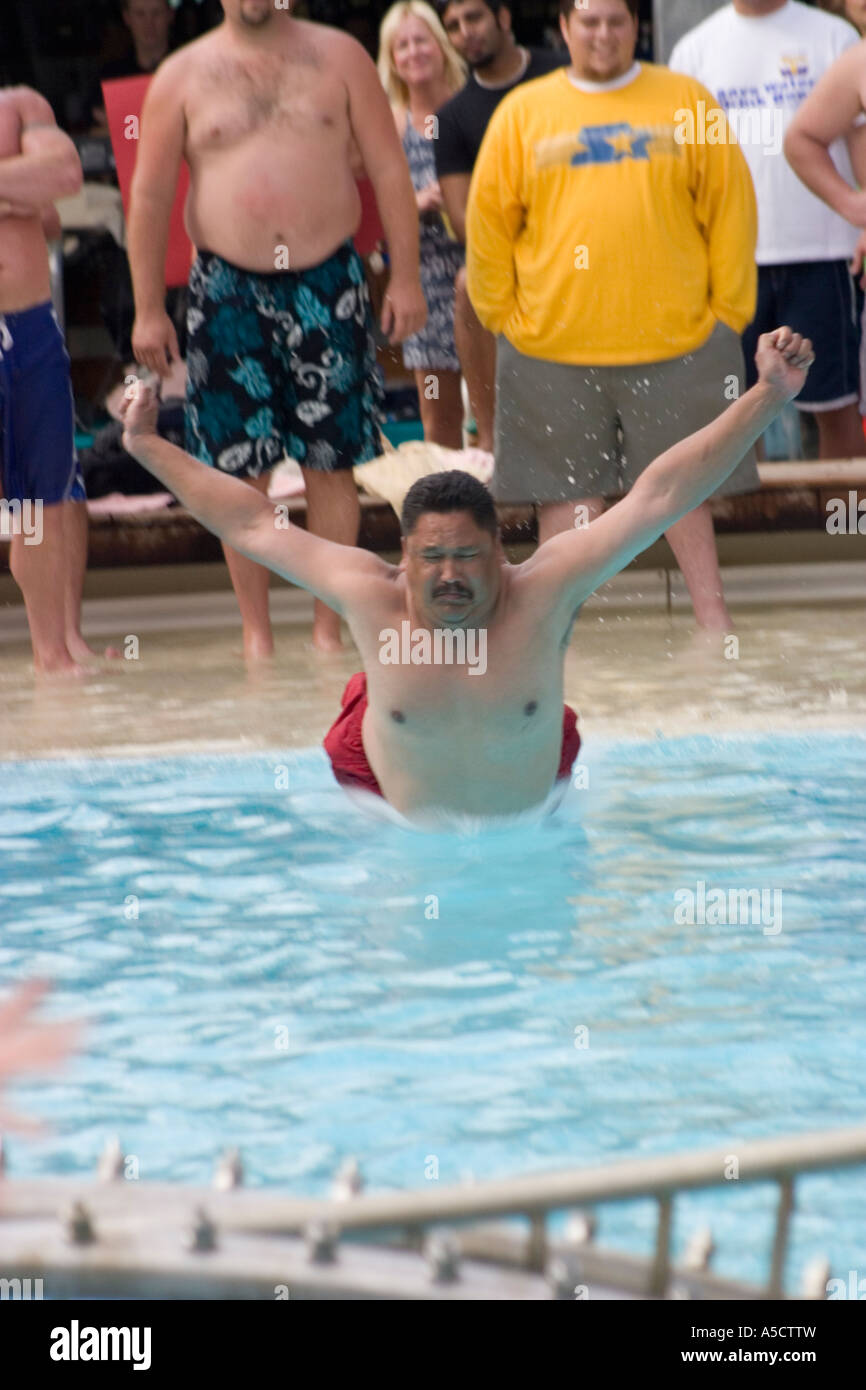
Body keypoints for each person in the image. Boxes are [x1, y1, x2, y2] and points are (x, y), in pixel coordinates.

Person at [121, 325, 814, 820]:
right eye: (431, 559)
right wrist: (147, 445)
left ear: (501, 556)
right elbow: (248, 522)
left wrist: (768, 397)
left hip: (530, 805)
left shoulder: (546, 586)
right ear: (404, 559)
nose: (449, 576)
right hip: (388, 808)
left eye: (465, 557)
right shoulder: (371, 594)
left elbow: (661, 493)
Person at [128, 0, 427, 658]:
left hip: (330, 282)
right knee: (240, 472)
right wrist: (149, 307)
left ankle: (329, 629)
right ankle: (256, 635)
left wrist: (406, 276)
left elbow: (388, 168)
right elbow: (148, 197)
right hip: (227, 290)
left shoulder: (340, 57)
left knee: (331, 461)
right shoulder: (181, 75)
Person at [465, 0, 759, 631]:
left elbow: (730, 203)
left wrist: (728, 312)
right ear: (566, 29)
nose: (603, 34)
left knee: (684, 491)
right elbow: (489, 221)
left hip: (677, 337)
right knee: (567, 495)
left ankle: (716, 629)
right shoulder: (523, 111)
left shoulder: (687, 100)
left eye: (616, 21)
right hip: (552, 344)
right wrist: (501, 316)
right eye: (589, 22)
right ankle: (555, 634)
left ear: (635, 28)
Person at [670, 0, 866, 462]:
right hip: (731, 264)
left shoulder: (834, 36)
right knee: (735, 410)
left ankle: (842, 529)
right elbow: (683, 166)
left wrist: (859, 212)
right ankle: (750, 531)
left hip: (824, 255)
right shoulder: (693, 51)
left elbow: (857, 141)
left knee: (837, 407)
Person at [0, 86, 112, 675]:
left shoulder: (20, 104)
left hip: (29, 324)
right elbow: (37, 197)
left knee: (42, 498)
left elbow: (63, 178)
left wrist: (31, 193)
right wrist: (18, 188)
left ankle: (53, 652)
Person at [434, 0, 567, 452]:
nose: (464, 32)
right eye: (453, 26)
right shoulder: (451, 118)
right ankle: (491, 440)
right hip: (515, 256)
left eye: (474, 18)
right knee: (469, 284)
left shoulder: (564, 73)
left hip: (590, 240)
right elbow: (462, 220)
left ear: (504, 18)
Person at [378, 2, 467, 450]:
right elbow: (372, 214)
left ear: (441, 43)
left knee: (502, 412)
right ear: (391, 58)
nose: (414, 52)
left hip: (479, 269)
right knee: (439, 421)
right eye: (402, 45)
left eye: (421, 40)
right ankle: (450, 514)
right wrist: (419, 202)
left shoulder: (469, 106)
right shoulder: (390, 124)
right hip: (423, 277)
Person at [90, 0, 177, 131]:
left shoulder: (189, 71)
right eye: (140, 14)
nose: (149, 23)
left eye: (156, 13)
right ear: (127, 17)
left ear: (170, 15)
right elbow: (91, 133)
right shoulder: (111, 76)